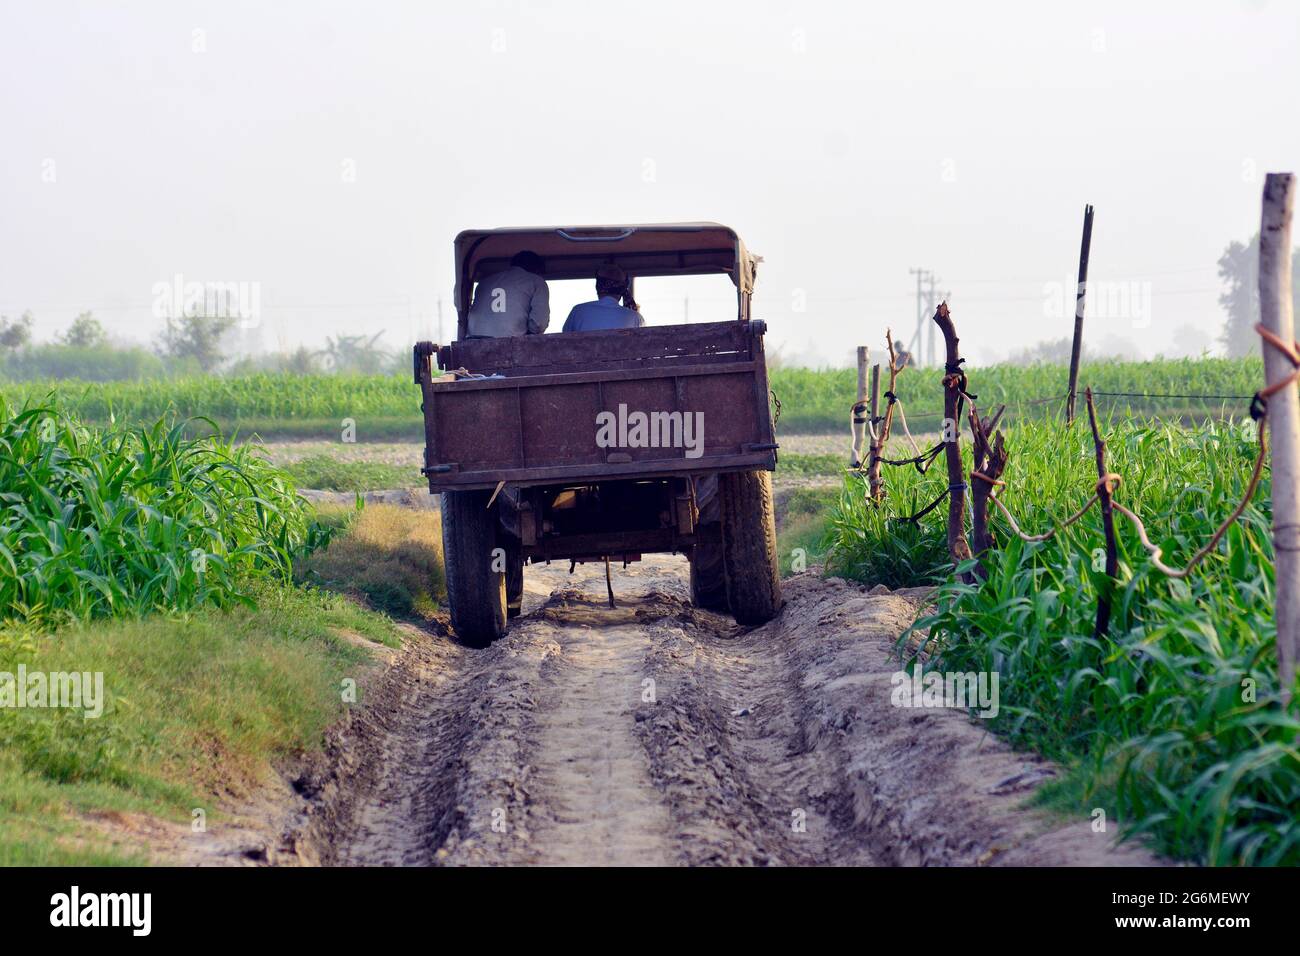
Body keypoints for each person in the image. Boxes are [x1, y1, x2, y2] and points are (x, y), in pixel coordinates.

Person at [467, 251, 549, 337]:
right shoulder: (536, 281)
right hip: (509, 345)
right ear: (537, 270)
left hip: (474, 343)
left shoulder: (483, 282)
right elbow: (538, 324)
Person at [562, 264, 645, 332]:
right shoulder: (636, 318)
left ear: (597, 287)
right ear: (622, 290)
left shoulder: (578, 311)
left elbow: (564, 340)